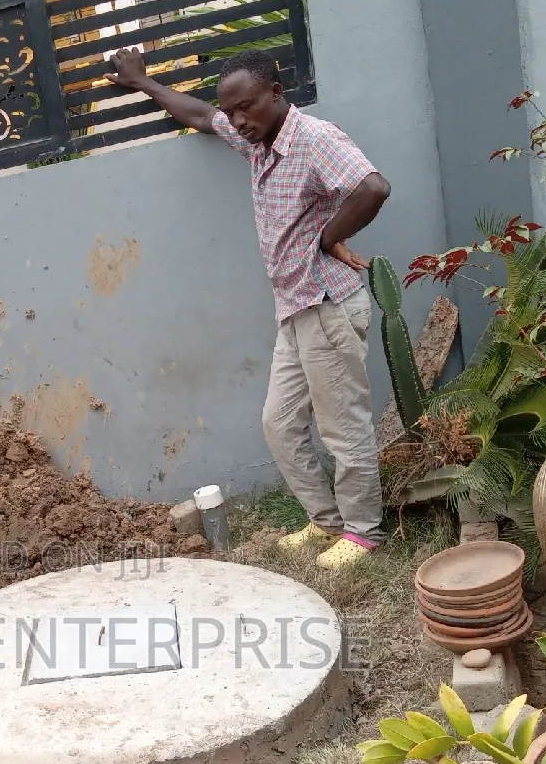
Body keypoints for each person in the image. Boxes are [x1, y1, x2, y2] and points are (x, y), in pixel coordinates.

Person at [105, 46, 392, 570]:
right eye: (233, 110)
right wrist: (144, 83)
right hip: (295, 310)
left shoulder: (313, 139)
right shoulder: (256, 140)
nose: (239, 120)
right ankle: (325, 523)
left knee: (341, 425)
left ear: (277, 94)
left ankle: (362, 533)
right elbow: (198, 115)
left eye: (248, 106)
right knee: (279, 425)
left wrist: (328, 237)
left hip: (326, 304)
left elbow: (373, 187)